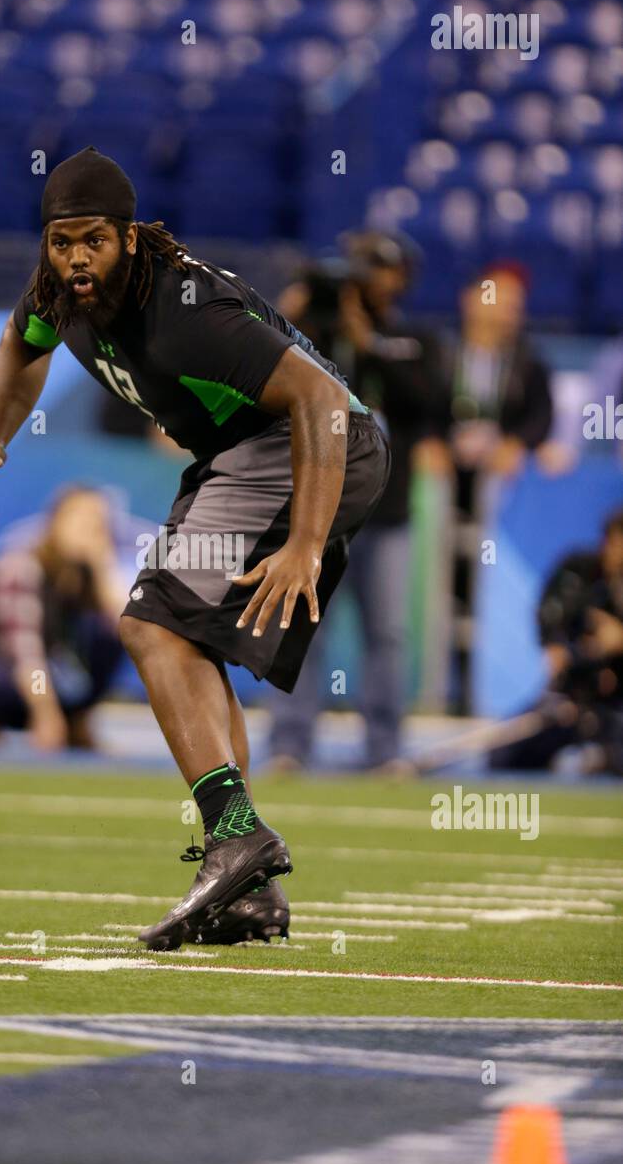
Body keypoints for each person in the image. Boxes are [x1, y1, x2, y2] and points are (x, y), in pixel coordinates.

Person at [0, 146, 390, 950]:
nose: (76, 258)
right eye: (60, 241)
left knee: (150, 623)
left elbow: (322, 400)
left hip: (312, 445)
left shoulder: (184, 308)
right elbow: (22, 344)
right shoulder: (59, 291)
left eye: (93, 240)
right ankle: (246, 888)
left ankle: (235, 837)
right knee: (180, 635)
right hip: (242, 457)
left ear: (129, 236)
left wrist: (305, 542)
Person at [267, 231, 449, 769]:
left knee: (387, 634)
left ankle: (384, 750)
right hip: (318, 515)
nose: (368, 280)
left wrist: (364, 337)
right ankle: (289, 745)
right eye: (363, 267)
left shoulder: (415, 340)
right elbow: (263, 369)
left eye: (381, 268)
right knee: (301, 629)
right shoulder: (313, 337)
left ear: (401, 279)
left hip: (386, 514)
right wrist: (286, 318)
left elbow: (425, 400)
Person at [447, 262, 555, 711]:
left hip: (496, 494)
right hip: (444, 491)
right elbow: (425, 408)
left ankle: (482, 693)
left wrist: (518, 443)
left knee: (485, 594)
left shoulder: (529, 363)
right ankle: (441, 688)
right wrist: (433, 443)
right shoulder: (445, 353)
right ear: (471, 299)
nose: (507, 311)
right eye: (499, 298)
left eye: (516, 304)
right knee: (444, 591)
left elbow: (540, 419)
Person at [0, 486, 126, 753]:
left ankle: (77, 721)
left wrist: (103, 566)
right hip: (4, 668)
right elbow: (25, 651)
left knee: (110, 635)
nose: (89, 529)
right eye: (80, 518)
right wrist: (45, 713)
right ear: (56, 522)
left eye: (98, 523)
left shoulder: (88, 574)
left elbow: (126, 628)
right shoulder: (20, 565)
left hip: (52, 671)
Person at [489, 507, 623, 775]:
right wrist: (556, 647)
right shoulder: (580, 570)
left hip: (615, 705)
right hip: (571, 698)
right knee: (504, 756)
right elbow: (552, 614)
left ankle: (597, 755)